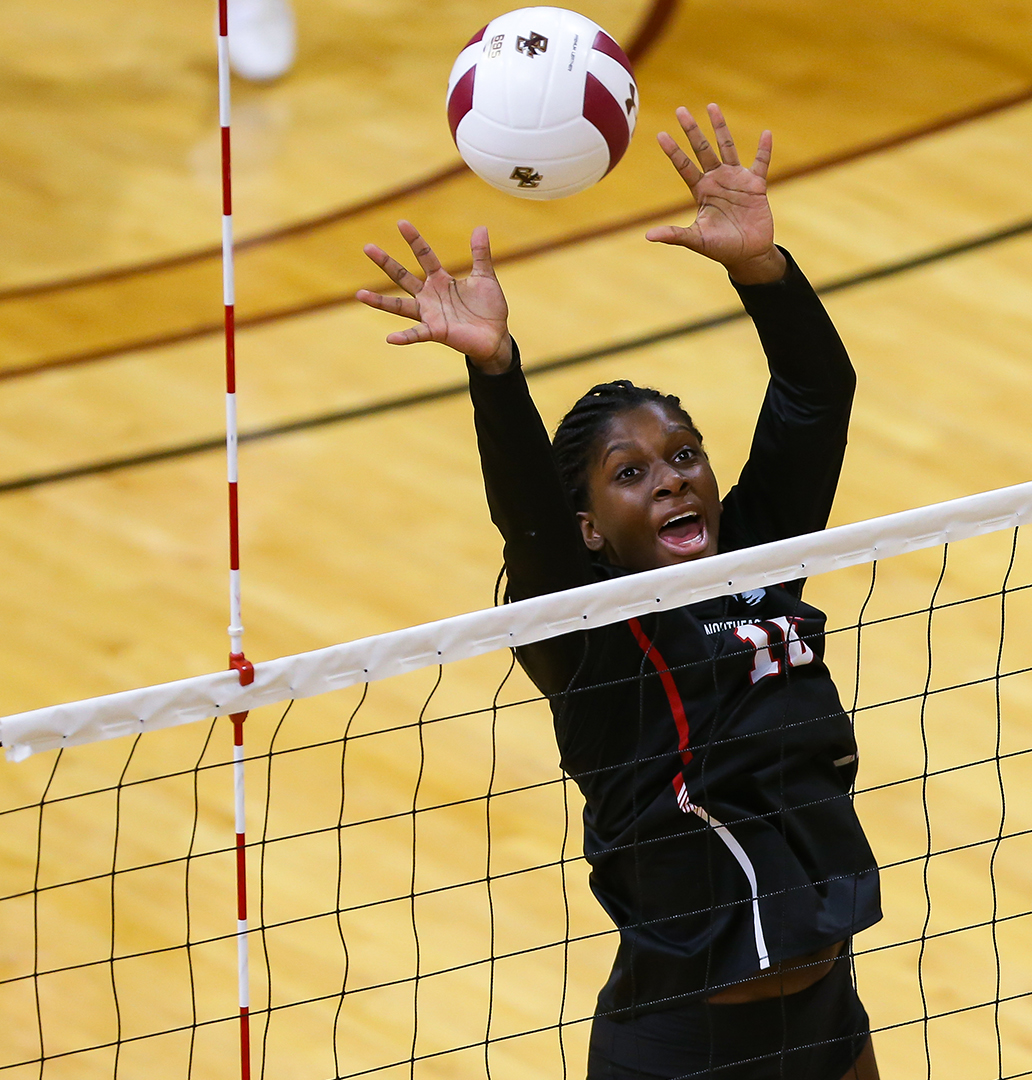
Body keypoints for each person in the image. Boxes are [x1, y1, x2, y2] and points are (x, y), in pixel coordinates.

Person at [355, 104, 882, 1080]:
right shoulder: (589, 644)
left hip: (825, 1013)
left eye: (684, 456)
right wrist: (495, 372)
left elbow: (818, 393)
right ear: (591, 529)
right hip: (681, 1051)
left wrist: (761, 266)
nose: (673, 476)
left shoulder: (756, 560)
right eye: (631, 473)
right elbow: (529, 528)